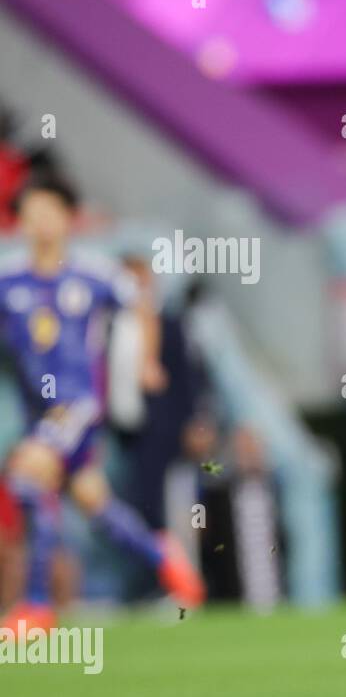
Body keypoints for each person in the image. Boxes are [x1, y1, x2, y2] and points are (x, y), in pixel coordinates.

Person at [0, 174, 204, 632]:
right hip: (39, 411)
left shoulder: (93, 273)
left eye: (50, 211)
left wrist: (148, 359)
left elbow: (141, 303)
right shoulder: (9, 278)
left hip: (78, 404)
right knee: (92, 501)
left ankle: (36, 607)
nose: (42, 222)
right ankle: (164, 557)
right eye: (32, 213)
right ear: (21, 222)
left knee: (28, 477)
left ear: (69, 219)